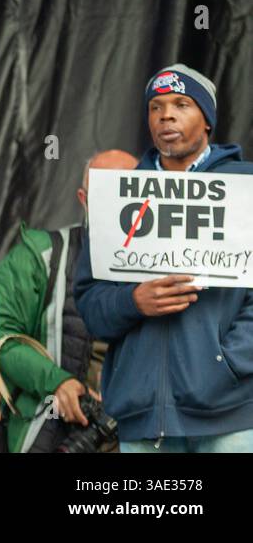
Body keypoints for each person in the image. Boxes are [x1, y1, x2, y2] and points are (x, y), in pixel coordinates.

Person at [74, 64, 253, 452]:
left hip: (229, 414)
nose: (165, 115)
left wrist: (228, 364)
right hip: (142, 417)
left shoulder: (244, 187)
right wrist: (133, 301)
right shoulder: (120, 193)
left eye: (181, 104)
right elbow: (90, 303)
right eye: (156, 107)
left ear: (208, 120)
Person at [0, 149, 137, 452]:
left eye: (127, 189)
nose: (117, 202)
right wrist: (55, 382)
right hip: (54, 430)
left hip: (141, 433)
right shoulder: (43, 255)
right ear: (83, 199)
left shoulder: (171, 264)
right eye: (105, 191)